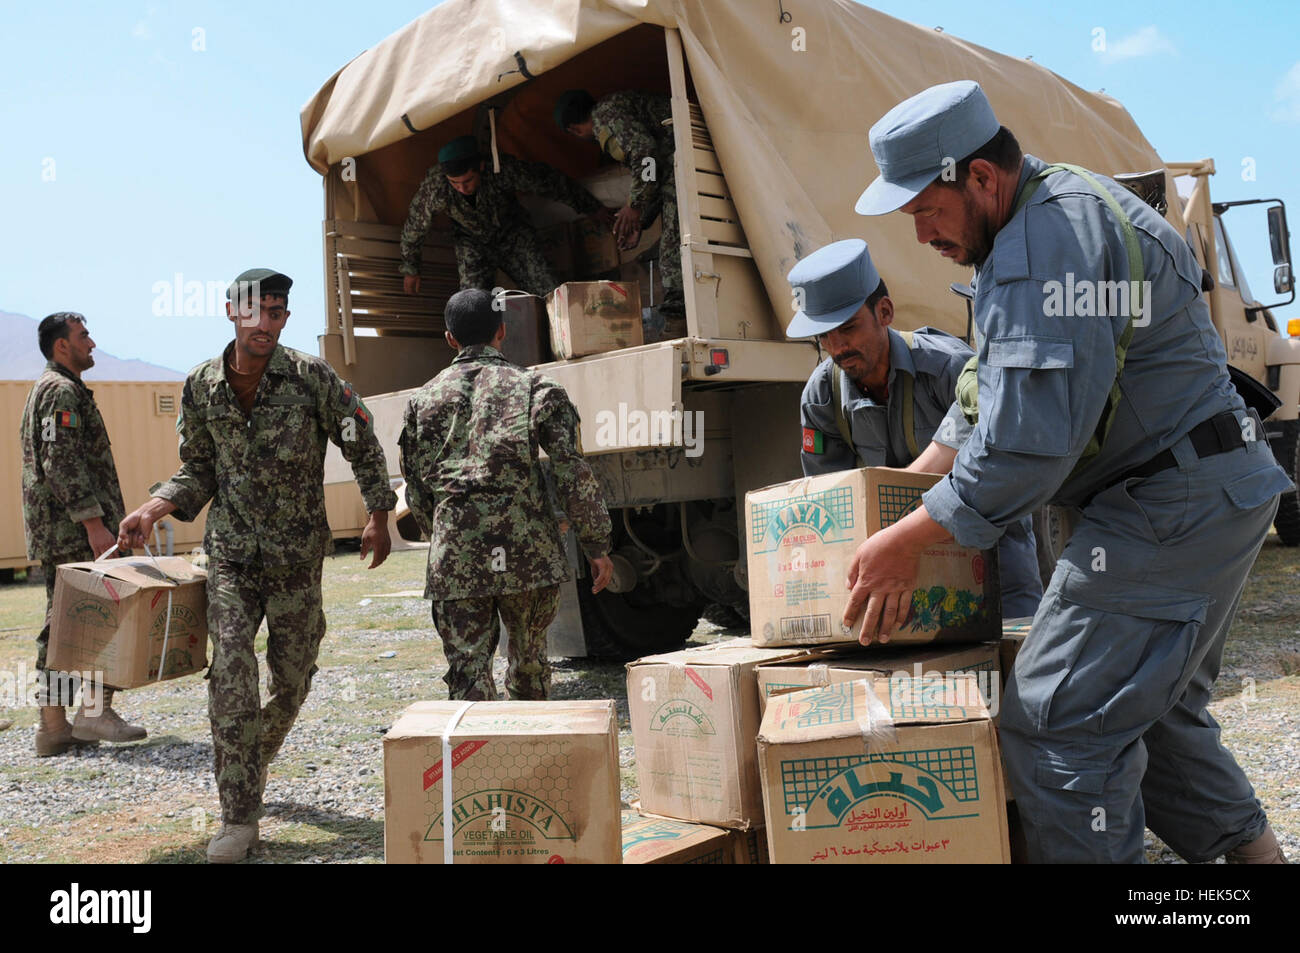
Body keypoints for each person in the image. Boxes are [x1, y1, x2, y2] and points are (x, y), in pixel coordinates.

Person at [850, 80, 1292, 863]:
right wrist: (905, 490)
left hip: (1170, 501)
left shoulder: (1042, 243)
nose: (919, 235)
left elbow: (1028, 442)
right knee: (1143, 707)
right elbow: (988, 394)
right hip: (1203, 488)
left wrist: (915, 536)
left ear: (980, 179)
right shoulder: (1042, 217)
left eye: (926, 210)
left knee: (1059, 723)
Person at [118, 269, 396, 864]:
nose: (264, 324)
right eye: (255, 313)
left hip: (297, 556)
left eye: (276, 313)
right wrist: (156, 505)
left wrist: (379, 510)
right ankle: (239, 815)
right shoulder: (200, 387)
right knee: (233, 674)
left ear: (285, 319)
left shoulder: (311, 377)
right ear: (231, 313)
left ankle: (251, 753)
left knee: (293, 680)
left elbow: (360, 436)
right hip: (232, 556)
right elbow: (198, 468)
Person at [786, 238, 1042, 619]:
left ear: (884, 312)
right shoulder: (821, 397)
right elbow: (834, 510)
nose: (837, 347)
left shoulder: (949, 369)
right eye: (824, 336)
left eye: (849, 328)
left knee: (1009, 664)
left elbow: (1003, 473)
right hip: (892, 573)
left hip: (988, 561)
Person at [399, 288, 614, 701]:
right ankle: (530, 758)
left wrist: (443, 537)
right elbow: (572, 471)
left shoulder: (420, 402)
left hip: (456, 557)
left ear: (449, 338)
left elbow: (418, 488)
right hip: (527, 556)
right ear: (502, 332)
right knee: (531, 666)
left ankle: (478, 760)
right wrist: (596, 543)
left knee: (467, 678)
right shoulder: (537, 389)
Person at [20, 312, 148, 755]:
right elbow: (62, 463)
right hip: (73, 530)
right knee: (91, 620)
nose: (92, 344)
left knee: (68, 624)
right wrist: (94, 524)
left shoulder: (55, 389)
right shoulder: (59, 391)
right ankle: (90, 715)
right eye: (83, 336)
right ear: (61, 346)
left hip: (62, 529)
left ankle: (56, 726)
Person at [399, 135, 614, 298]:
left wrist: (591, 207)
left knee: (548, 290)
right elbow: (414, 229)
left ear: (481, 166)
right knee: (472, 303)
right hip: (471, 242)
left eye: (468, 181)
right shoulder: (435, 188)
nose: (462, 188)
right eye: (455, 183)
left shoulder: (502, 170)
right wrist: (411, 268)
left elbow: (550, 182)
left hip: (513, 233)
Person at [555, 89, 684, 326]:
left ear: (574, 129)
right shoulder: (614, 109)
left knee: (673, 248)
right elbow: (654, 171)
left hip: (683, 157)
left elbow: (646, 155)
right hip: (676, 162)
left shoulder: (605, 115)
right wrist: (640, 220)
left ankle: (678, 321)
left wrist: (633, 206)